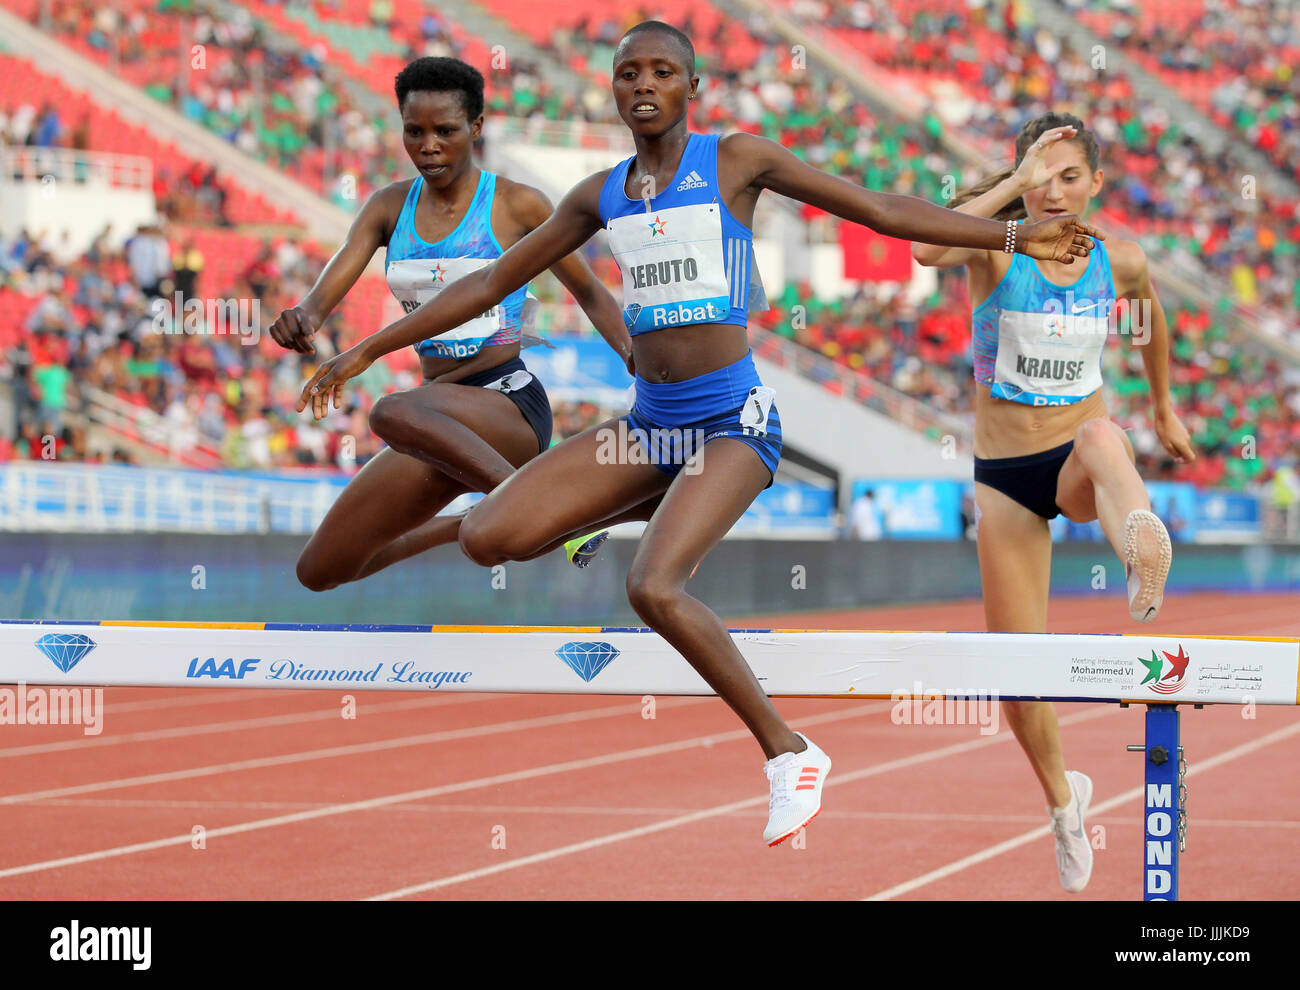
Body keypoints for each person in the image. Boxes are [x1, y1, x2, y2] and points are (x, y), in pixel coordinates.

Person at [297, 23, 1100, 846]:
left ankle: (790, 752)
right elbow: (492, 280)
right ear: (612, 91)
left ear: (692, 87)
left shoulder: (736, 160)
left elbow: (881, 210)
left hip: (732, 422)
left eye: (662, 72)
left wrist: (1014, 234)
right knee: (489, 534)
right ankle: (609, 515)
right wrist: (367, 348)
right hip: (651, 425)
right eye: (627, 73)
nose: (643, 84)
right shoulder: (596, 195)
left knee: (652, 588)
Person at [912, 112, 1196, 891]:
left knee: (1107, 438)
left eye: (1072, 175)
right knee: (1017, 671)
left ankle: (1141, 548)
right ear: (1023, 179)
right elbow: (925, 244)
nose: (1056, 190)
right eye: (1043, 175)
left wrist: (1165, 406)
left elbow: (1152, 317)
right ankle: (1066, 805)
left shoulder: (1120, 260)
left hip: (1075, 458)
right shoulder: (997, 251)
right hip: (1005, 478)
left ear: (1096, 184)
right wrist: (1011, 189)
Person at [271, 57, 634, 591]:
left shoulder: (517, 205)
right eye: (414, 132)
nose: (428, 145)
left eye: (445, 130)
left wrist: (638, 362)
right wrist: (301, 318)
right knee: (320, 570)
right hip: (434, 419)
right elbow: (320, 298)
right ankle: (486, 517)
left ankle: (545, 510)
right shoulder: (388, 208)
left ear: (476, 127)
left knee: (391, 409)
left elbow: (589, 292)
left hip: (506, 404)